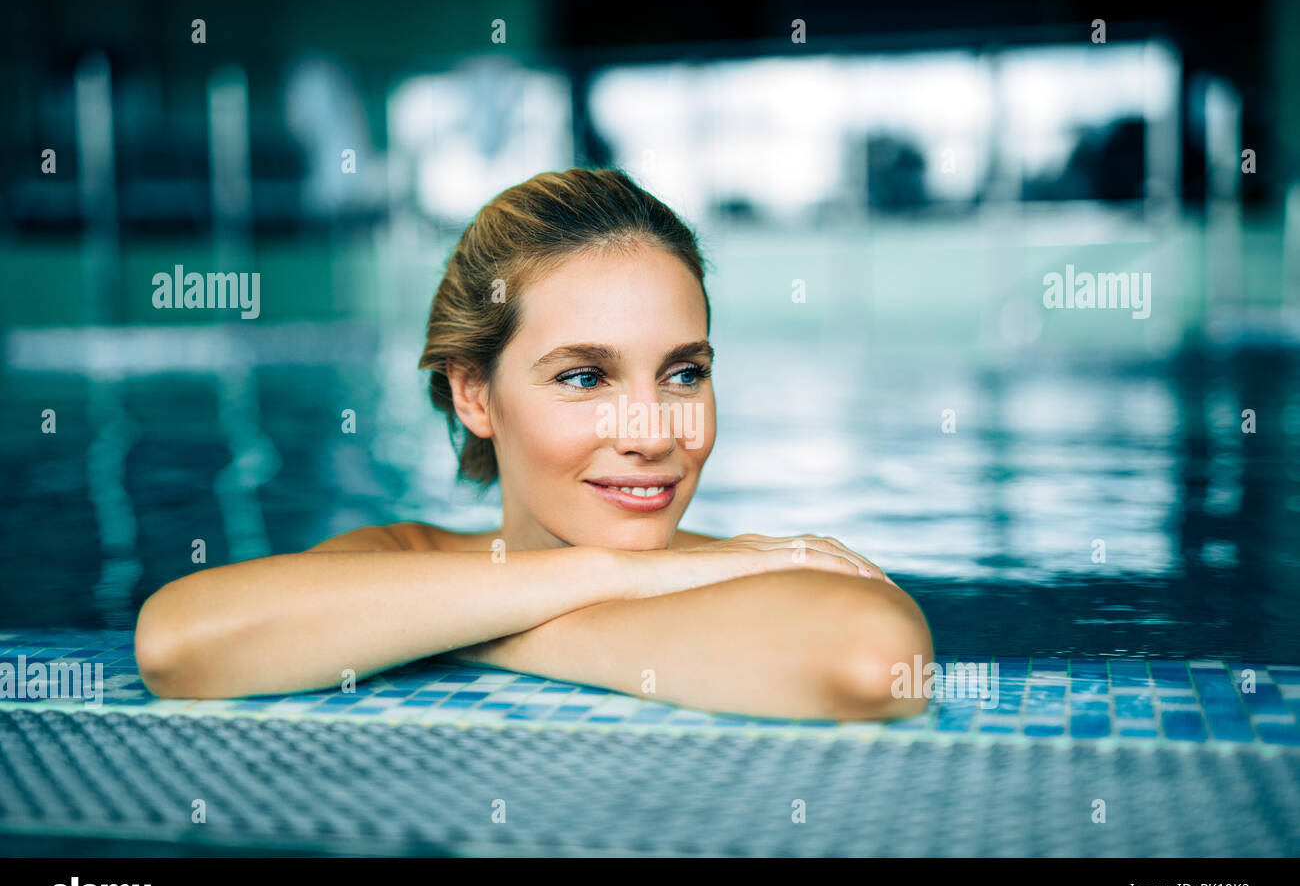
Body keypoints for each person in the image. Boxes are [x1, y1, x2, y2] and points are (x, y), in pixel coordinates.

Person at [135, 167, 933, 720]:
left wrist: (457, 632)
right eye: (585, 378)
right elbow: (179, 645)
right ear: (473, 393)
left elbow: (873, 665)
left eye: (684, 374)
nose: (653, 434)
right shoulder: (400, 549)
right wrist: (611, 576)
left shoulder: (757, 573)